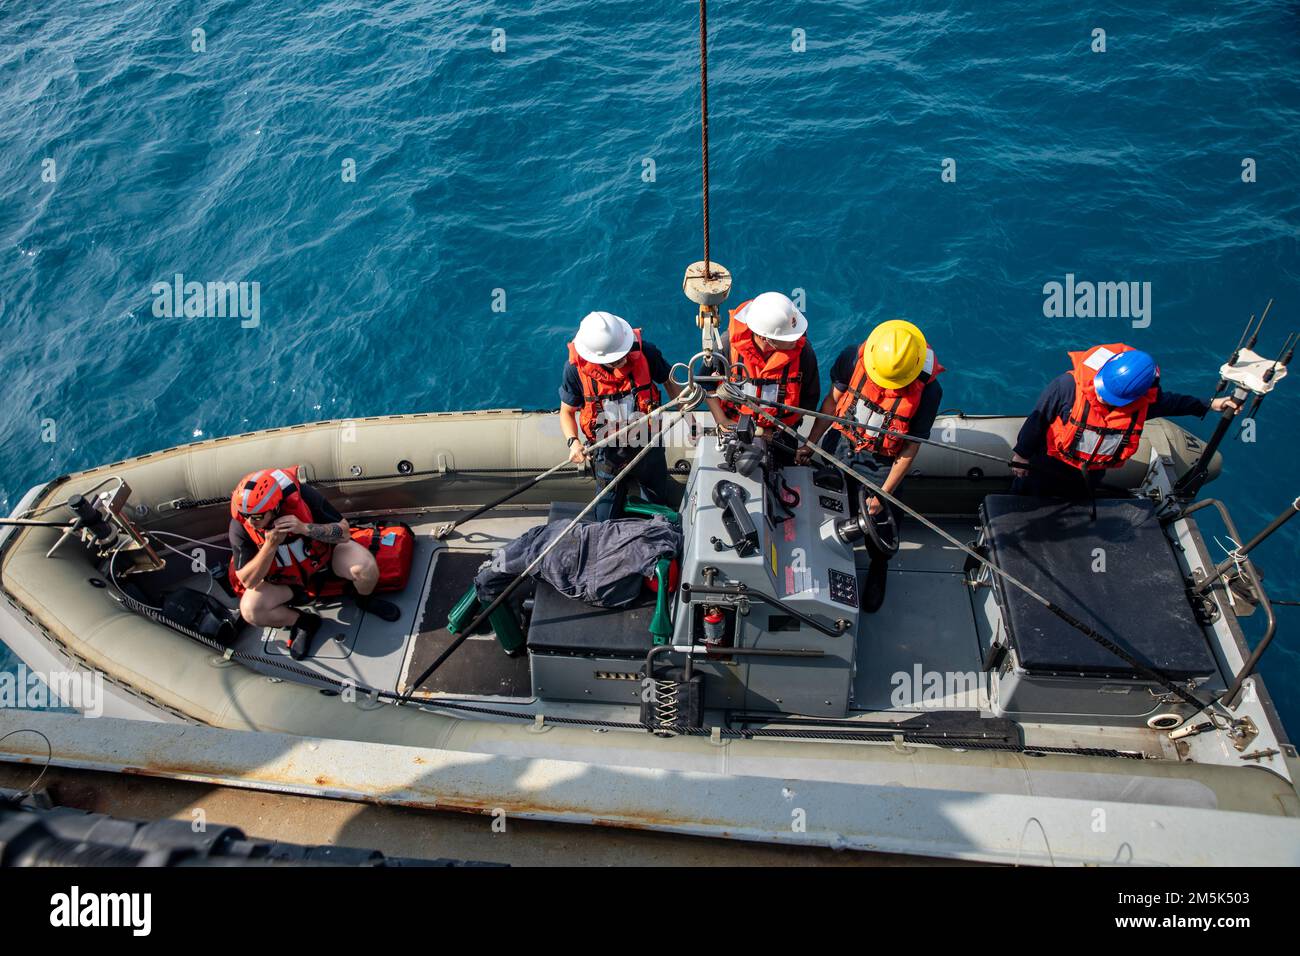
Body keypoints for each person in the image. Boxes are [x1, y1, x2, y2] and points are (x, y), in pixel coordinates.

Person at [796, 319, 943, 612]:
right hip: (841, 447)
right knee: (831, 504)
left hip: (883, 464)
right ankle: (832, 554)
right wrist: (811, 442)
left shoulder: (929, 392)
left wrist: (883, 494)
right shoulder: (852, 358)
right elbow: (831, 403)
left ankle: (879, 566)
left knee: (881, 522)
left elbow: (910, 447)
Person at [1011, 343, 1242, 499]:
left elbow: (1174, 403)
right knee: (1026, 494)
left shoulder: (1142, 403)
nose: (1101, 396)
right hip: (1048, 463)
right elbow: (1037, 421)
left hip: (1089, 473)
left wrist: (1210, 404)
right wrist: (1021, 453)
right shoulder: (1067, 387)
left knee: (1075, 501)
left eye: (1111, 397)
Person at [229, 467, 399, 660]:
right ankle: (303, 622)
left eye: (257, 516)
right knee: (250, 610)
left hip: (326, 562)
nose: (251, 522)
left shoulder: (303, 498)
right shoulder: (241, 525)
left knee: (365, 567)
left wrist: (304, 528)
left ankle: (364, 599)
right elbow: (247, 581)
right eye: (245, 515)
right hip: (286, 581)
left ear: (275, 507)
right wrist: (270, 545)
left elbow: (343, 533)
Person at [560, 311, 681, 521]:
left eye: (623, 353)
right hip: (606, 452)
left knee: (656, 505)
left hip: (647, 443)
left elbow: (668, 381)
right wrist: (573, 442)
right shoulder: (574, 371)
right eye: (615, 359)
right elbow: (567, 411)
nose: (623, 361)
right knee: (605, 516)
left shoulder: (647, 353)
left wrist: (682, 405)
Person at [705, 291, 820, 464]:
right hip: (735, 427)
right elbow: (706, 383)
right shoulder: (727, 345)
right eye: (788, 337)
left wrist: (778, 430)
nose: (797, 340)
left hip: (782, 433)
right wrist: (723, 421)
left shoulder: (804, 353)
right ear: (765, 338)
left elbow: (809, 399)